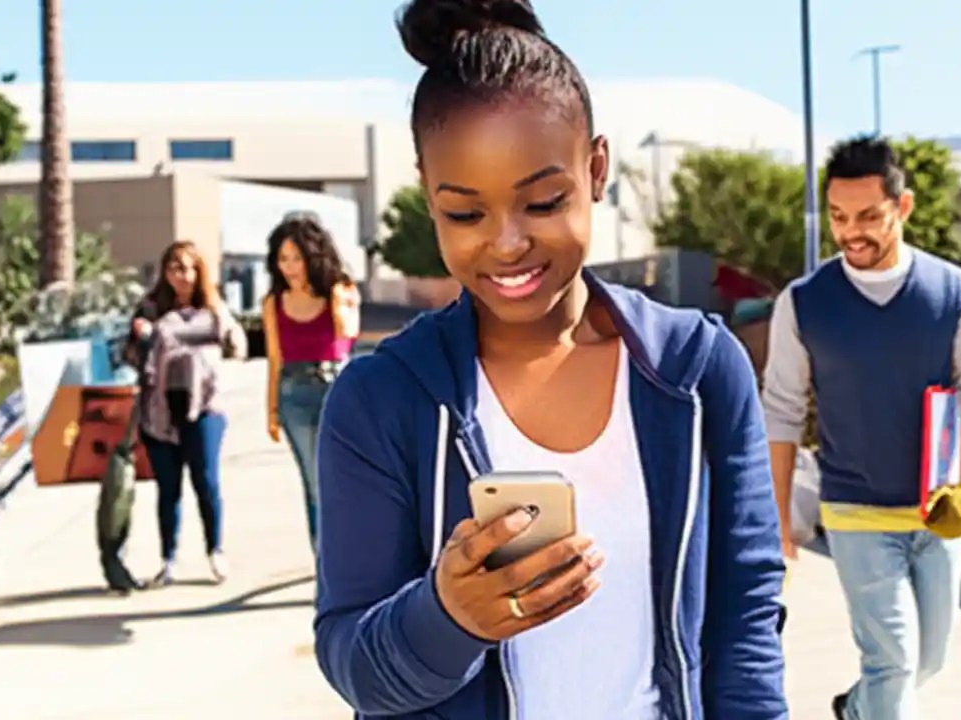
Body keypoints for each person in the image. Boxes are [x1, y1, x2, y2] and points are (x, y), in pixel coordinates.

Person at [311, 2, 787, 718]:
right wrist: (449, 617)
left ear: (595, 168)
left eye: (541, 202)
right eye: (465, 214)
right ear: (427, 192)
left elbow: (746, 617)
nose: (506, 244)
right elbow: (356, 667)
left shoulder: (696, 370)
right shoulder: (380, 400)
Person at [762, 136, 961, 719]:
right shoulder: (804, 303)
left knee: (929, 659)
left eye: (869, 216)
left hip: (937, 511)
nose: (852, 232)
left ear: (904, 207)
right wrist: (779, 528)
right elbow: (781, 413)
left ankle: (857, 711)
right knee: (893, 661)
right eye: (840, 217)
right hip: (855, 512)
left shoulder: (953, 292)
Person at [129, 240, 247, 587]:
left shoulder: (213, 309)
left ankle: (216, 549)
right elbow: (129, 355)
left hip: (205, 407)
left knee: (206, 481)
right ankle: (168, 559)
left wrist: (222, 340)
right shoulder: (150, 309)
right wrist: (142, 339)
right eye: (175, 267)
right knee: (168, 488)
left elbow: (237, 344)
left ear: (200, 272)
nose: (182, 275)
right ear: (165, 272)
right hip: (160, 411)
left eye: (189, 267)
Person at [262, 213, 360, 550]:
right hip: (294, 392)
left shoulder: (341, 290)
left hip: (337, 387)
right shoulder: (274, 303)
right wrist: (271, 410)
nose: (290, 267)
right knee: (316, 482)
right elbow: (274, 358)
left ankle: (352, 554)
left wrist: (335, 299)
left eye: (297, 258)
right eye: (283, 258)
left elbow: (348, 334)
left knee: (347, 479)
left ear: (312, 256)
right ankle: (326, 563)